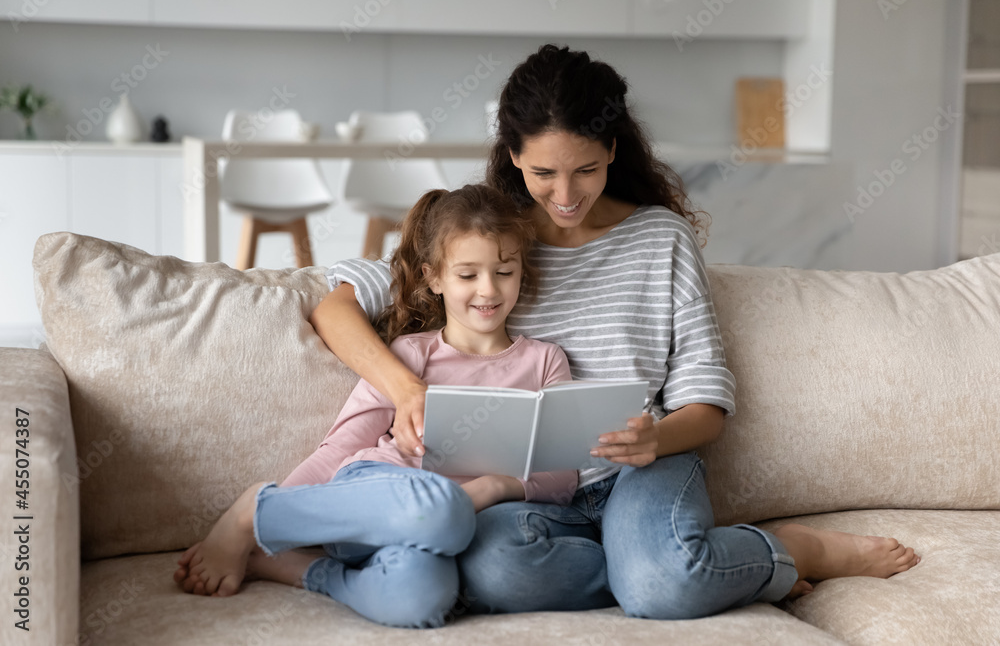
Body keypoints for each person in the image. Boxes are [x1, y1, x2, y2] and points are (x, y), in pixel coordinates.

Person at [307, 44, 920, 618]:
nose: (565, 195)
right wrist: (406, 389)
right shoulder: (489, 243)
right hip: (532, 492)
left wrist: (655, 438)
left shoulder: (660, 240)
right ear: (514, 156)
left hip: (642, 469)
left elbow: (707, 405)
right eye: (544, 172)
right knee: (493, 569)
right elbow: (336, 309)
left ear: (614, 150)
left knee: (659, 582)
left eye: (587, 169)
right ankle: (679, 562)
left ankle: (784, 550)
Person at [173, 184, 580, 628]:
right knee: (443, 510)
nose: (488, 289)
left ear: (522, 269)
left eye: (504, 271)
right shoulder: (410, 354)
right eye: (467, 275)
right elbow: (340, 445)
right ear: (434, 277)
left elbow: (561, 477)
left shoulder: (544, 361)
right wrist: (288, 498)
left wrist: (490, 488)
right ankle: (256, 510)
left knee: (421, 601)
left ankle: (302, 571)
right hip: (382, 491)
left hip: (443, 534)